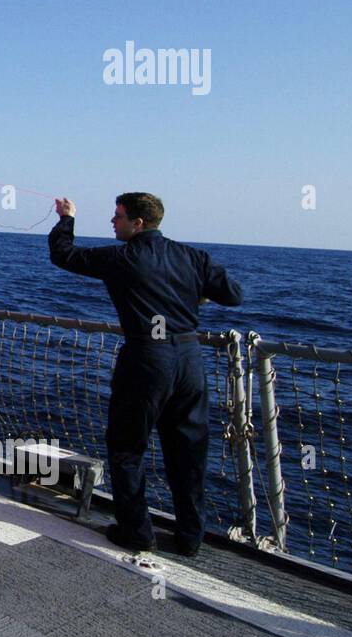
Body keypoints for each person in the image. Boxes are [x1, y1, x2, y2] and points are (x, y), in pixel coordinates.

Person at [49, 192, 243, 558]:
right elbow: (233, 295)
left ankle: (137, 531)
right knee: (188, 451)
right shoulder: (193, 257)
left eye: (118, 216)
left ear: (138, 223)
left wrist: (67, 218)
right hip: (189, 359)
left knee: (126, 447)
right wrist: (196, 290)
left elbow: (64, 255)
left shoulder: (121, 258)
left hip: (147, 357)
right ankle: (190, 538)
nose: (112, 221)